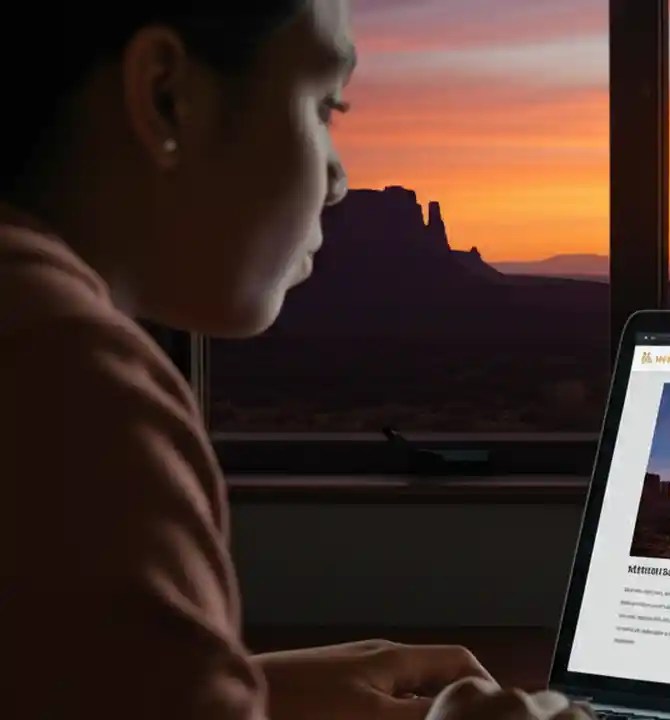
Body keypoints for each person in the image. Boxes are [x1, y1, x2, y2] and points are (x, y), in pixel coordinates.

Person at [0, 2, 592, 719]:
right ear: (166, 98)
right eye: (324, 104)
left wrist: (248, 692)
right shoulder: (70, 384)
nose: (340, 177)